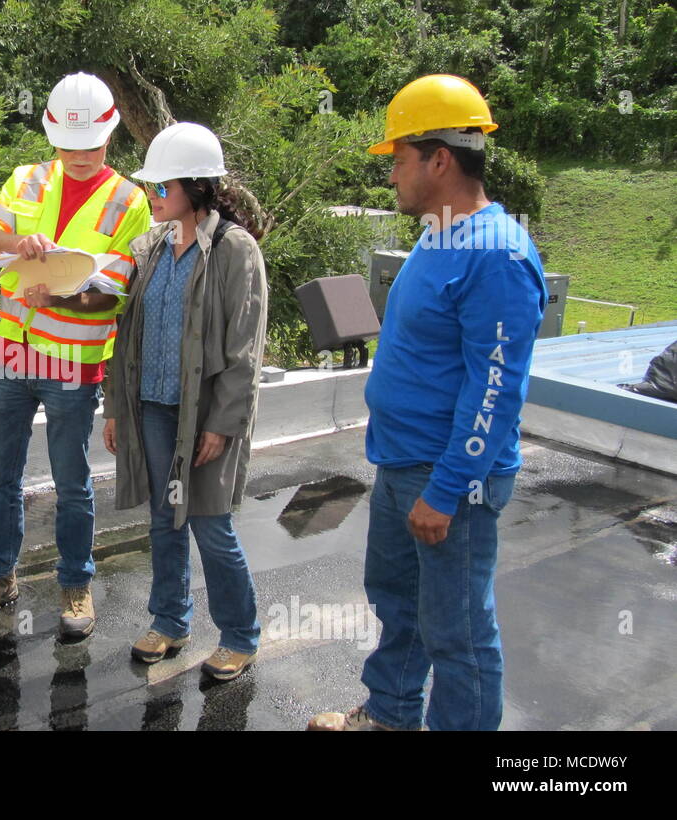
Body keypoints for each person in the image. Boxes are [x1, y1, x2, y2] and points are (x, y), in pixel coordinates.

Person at [309, 75, 547, 731]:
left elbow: (495, 391)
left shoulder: (495, 253)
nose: (391, 175)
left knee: (459, 633)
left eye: (398, 158)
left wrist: (447, 490)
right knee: (398, 604)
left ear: (438, 158)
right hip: (401, 463)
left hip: (448, 479)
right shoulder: (441, 236)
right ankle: (389, 714)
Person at [0, 72, 151, 639]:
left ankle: (75, 585)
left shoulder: (129, 202)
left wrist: (70, 293)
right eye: (69, 145)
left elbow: (117, 293)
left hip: (72, 363)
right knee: (3, 478)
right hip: (10, 356)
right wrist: (18, 243)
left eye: (90, 145)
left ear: (110, 135)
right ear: (51, 136)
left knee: (72, 482)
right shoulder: (27, 179)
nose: (81, 156)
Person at [101, 122, 268, 680]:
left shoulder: (233, 249)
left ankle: (240, 634)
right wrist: (118, 409)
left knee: (209, 523)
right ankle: (170, 622)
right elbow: (123, 333)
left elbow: (245, 349)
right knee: (162, 520)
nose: (151, 197)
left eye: (161, 188)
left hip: (204, 414)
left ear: (195, 186)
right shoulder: (149, 248)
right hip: (152, 407)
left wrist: (223, 423)